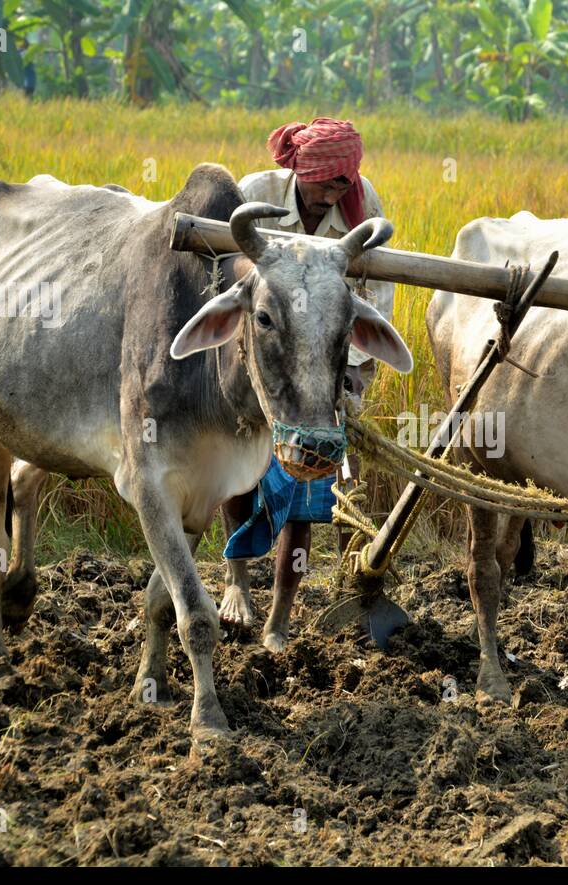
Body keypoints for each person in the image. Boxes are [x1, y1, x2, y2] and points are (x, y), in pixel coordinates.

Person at [218, 118, 396, 652]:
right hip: (260, 364)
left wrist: (351, 379)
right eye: (328, 184)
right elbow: (224, 276)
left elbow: (375, 293)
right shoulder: (252, 197)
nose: (337, 194)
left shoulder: (362, 209)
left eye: (345, 185)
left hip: (322, 375)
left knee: (307, 484)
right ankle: (236, 579)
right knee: (239, 474)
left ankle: (279, 619)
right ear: (301, 171)